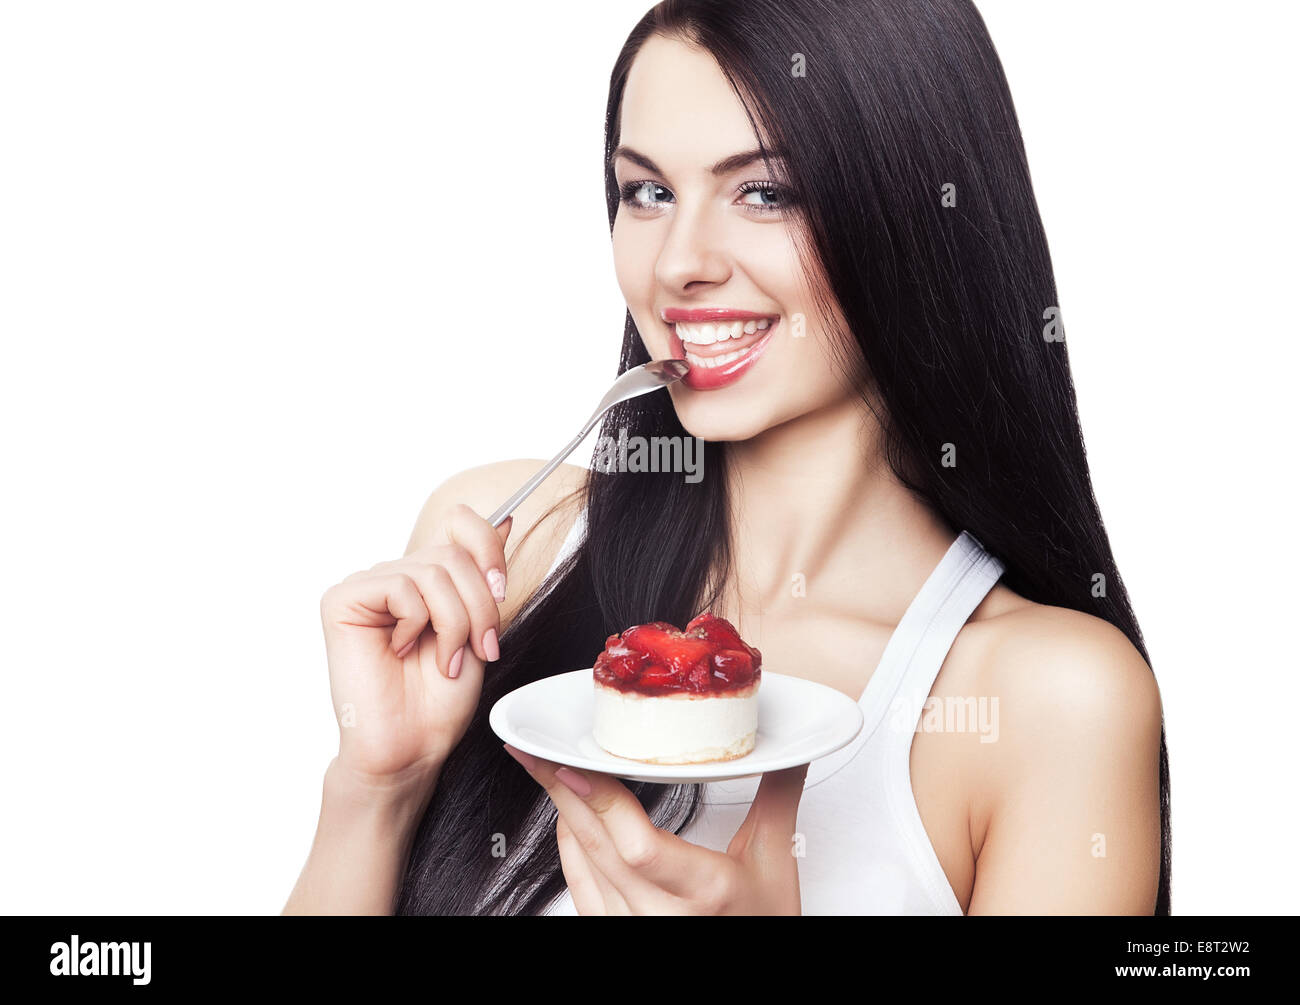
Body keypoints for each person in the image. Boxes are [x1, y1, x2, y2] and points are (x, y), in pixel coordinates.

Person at [285, 0, 1168, 916]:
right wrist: (376, 789)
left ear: (919, 207)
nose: (679, 264)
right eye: (649, 192)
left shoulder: (1052, 699)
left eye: (765, 191)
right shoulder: (511, 551)